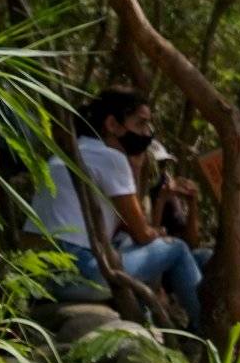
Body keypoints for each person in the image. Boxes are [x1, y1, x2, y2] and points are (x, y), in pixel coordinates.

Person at [27, 86, 205, 330]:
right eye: (141, 124)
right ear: (112, 124)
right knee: (177, 250)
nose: (147, 133)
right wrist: (158, 235)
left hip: (36, 275)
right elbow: (142, 233)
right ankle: (208, 334)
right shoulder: (110, 157)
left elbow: (125, 228)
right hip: (78, 273)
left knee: (128, 245)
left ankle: (152, 325)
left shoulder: (67, 154)